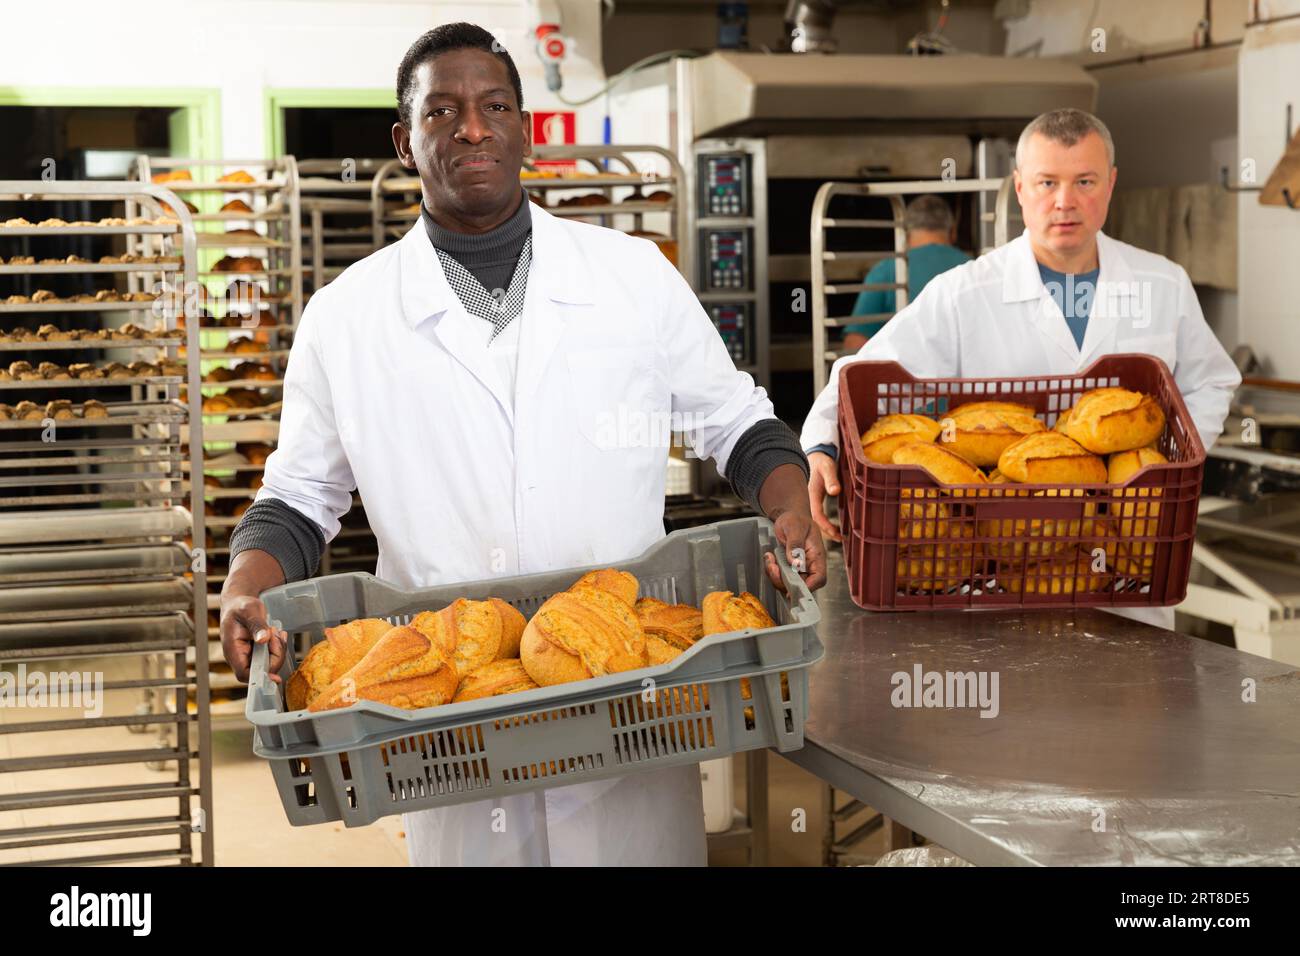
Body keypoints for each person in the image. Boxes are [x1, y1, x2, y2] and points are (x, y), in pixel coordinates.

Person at [218, 22, 825, 867]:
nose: (472, 127)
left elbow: (735, 423)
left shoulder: (631, 276)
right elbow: (296, 500)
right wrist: (247, 584)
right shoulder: (347, 317)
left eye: (494, 105)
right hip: (443, 731)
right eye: (443, 111)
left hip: (633, 722)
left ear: (526, 129)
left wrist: (790, 501)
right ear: (405, 141)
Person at [802, 108, 1241, 631]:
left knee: (1130, 707)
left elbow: (1214, 379)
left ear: (1111, 183)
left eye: (1084, 181)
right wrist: (821, 447)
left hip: (1127, 584)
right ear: (1018, 188)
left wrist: (1165, 467)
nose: (1065, 201)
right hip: (1002, 582)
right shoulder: (965, 292)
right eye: (1046, 182)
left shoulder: (1162, 283)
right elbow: (863, 371)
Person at [840, 194, 970, 353]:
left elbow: (855, 344)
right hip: (965, 375)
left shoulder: (886, 270)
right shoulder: (975, 267)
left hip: (902, 375)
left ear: (904, 234)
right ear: (953, 231)